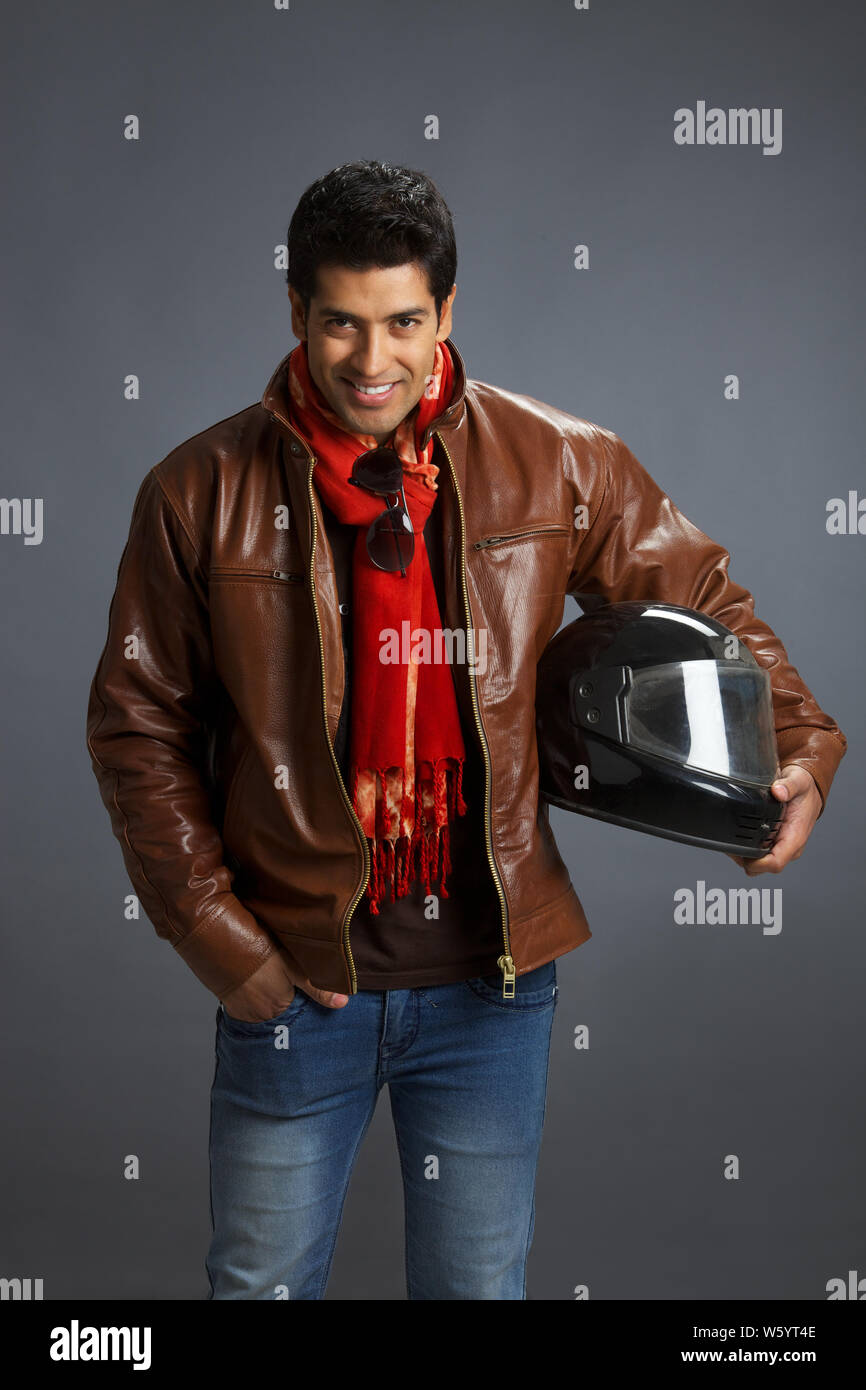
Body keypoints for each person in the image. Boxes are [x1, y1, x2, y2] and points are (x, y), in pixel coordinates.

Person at [86, 159, 847, 1300]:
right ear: (295, 313)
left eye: (401, 321)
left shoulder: (557, 460)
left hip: (492, 982)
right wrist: (219, 943)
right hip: (297, 975)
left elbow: (704, 602)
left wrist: (795, 745)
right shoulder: (198, 489)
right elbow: (138, 722)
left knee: (476, 1294)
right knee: (256, 1287)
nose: (370, 359)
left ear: (446, 309)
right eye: (339, 323)